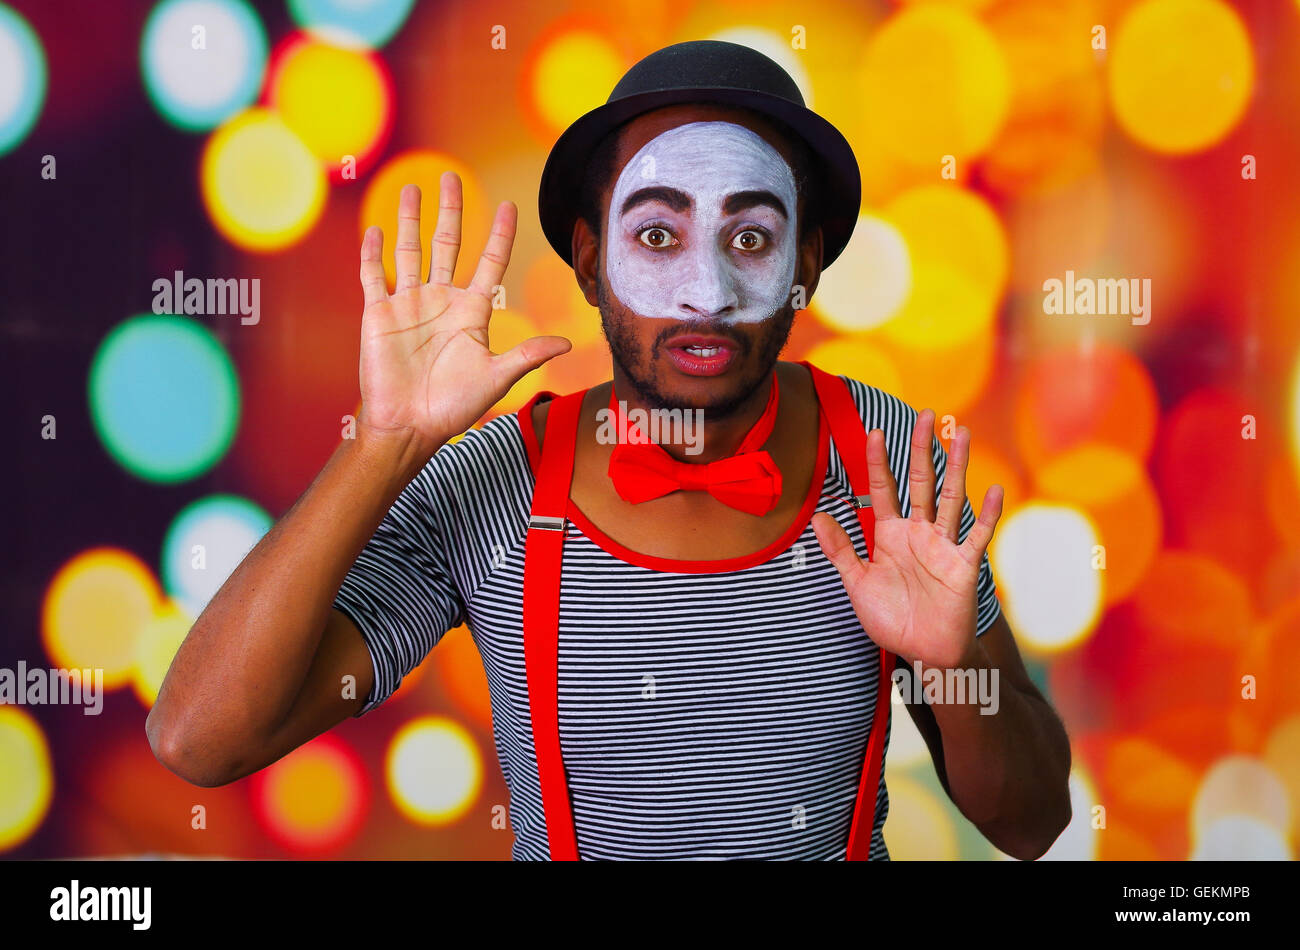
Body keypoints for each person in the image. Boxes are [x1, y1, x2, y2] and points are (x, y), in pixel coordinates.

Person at [147, 39, 1072, 860]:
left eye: (751, 236)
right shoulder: (493, 484)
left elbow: (1031, 827)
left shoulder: (887, 465)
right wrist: (384, 444)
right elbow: (200, 740)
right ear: (589, 259)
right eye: (658, 234)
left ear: (806, 265)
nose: (704, 292)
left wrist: (956, 667)